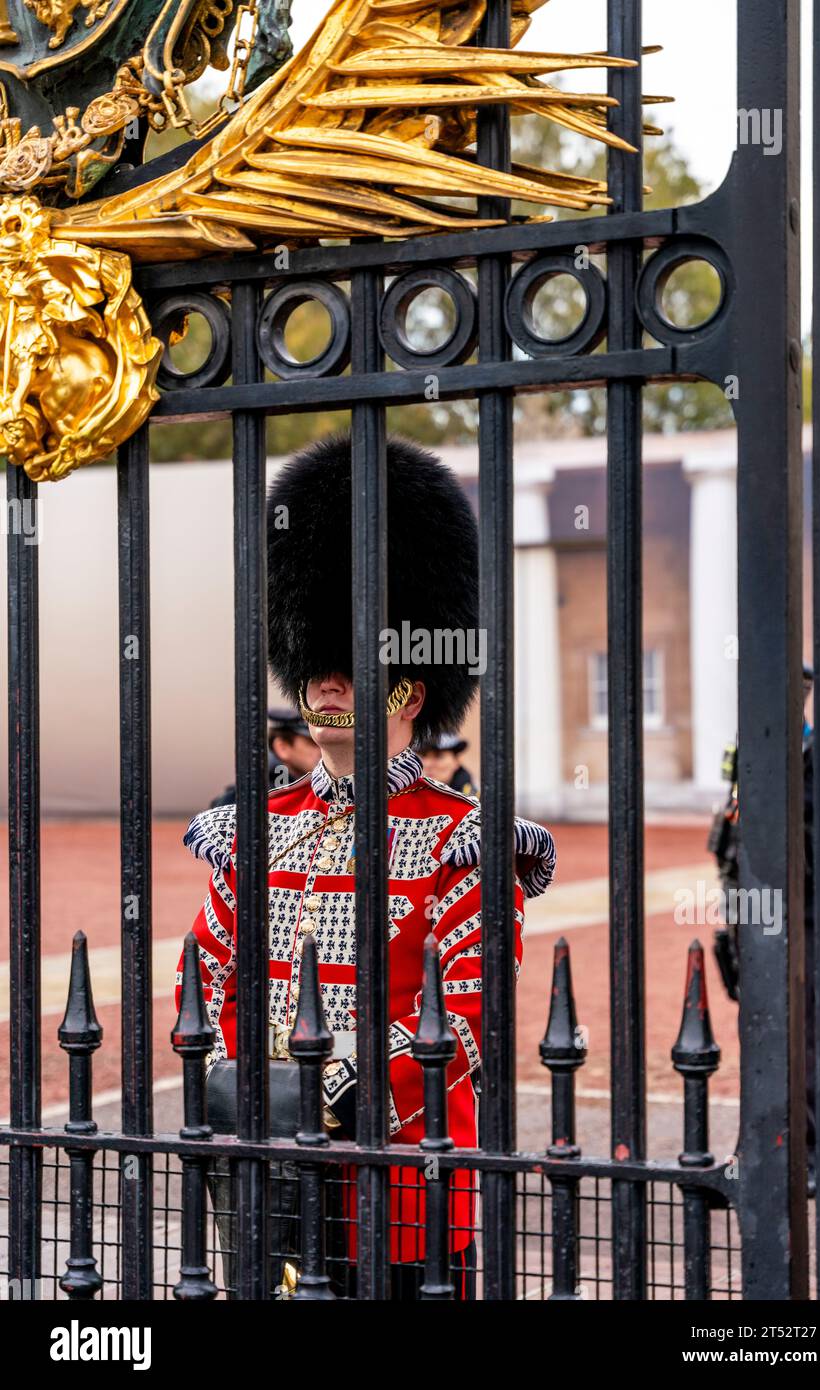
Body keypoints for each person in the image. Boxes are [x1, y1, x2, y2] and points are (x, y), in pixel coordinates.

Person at [177, 434, 556, 1299]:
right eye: (316, 671)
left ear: (409, 690)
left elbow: (466, 1016)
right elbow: (206, 974)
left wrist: (335, 1084)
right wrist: (262, 1088)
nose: (325, 689)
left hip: (399, 1182)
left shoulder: (464, 836)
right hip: (267, 1163)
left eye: (348, 671)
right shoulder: (254, 828)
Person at [708, 661, 816, 1194]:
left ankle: (812, 1152)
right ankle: (755, 1152)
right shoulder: (748, 746)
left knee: (809, 1035)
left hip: (807, 917)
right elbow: (731, 827)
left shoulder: (816, 749)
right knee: (758, 1032)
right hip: (754, 909)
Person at [209, 706, 319, 808]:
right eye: (313, 743)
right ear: (282, 748)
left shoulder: (317, 788)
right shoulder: (247, 798)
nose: (322, 751)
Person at [419, 733, 478, 798]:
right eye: (424, 755)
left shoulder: (475, 801)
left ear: (457, 761)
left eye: (438, 756)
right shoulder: (413, 794)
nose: (427, 764)